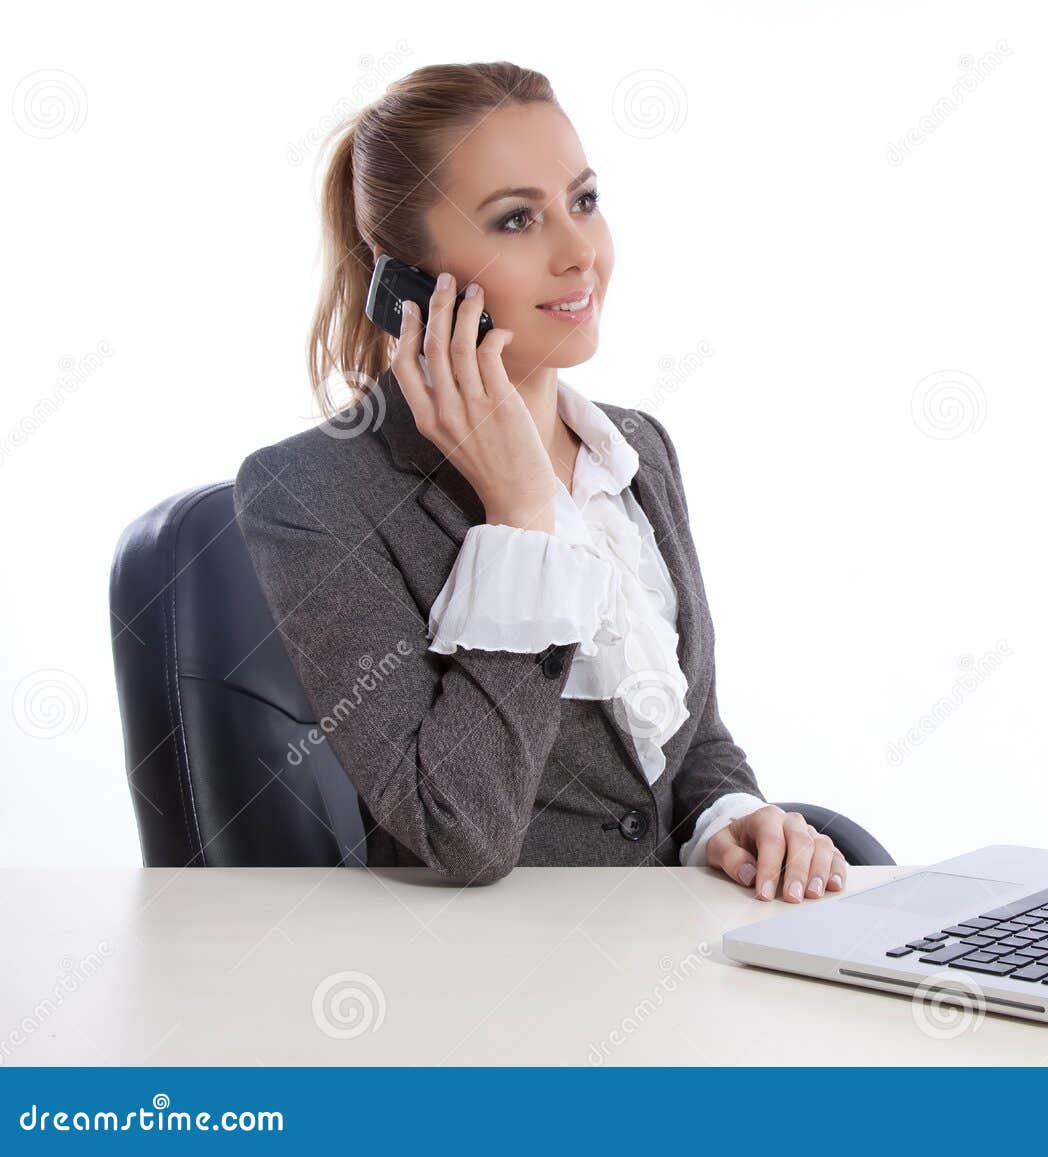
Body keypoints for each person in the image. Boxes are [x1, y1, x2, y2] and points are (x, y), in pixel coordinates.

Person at [234, 61, 846, 902]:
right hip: (490, 997)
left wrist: (728, 816)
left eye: (584, 201)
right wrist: (519, 514)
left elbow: (685, 734)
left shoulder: (636, 449)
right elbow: (461, 833)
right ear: (404, 277)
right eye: (518, 219)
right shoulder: (308, 494)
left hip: (672, 967)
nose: (579, 254)